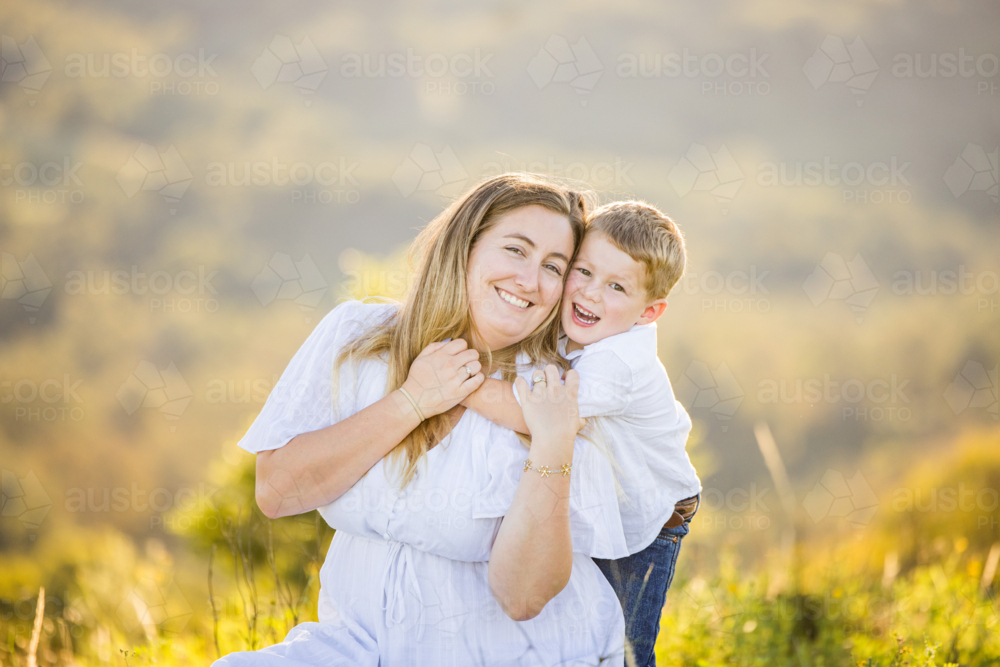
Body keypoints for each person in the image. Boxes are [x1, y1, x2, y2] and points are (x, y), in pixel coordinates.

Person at [214, 173, 628, 666]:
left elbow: (524, 598)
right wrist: (412, 401)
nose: (530, 281)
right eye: (516, 250)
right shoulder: (357, 337)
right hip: (355, 647)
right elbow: (277, 492)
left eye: (554, 267)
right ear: (465, 246)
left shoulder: (556, 391)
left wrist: (553, 443)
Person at [462, 200, 701, 667]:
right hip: (611, 500)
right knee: (574, 631)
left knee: (620, 645)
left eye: (616, 286)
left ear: (648, 312)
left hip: (652, 520)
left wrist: (457, 385)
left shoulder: (620, 362)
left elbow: (536, 413)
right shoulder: (580, 329)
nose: (591, 293)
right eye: (584, 271)